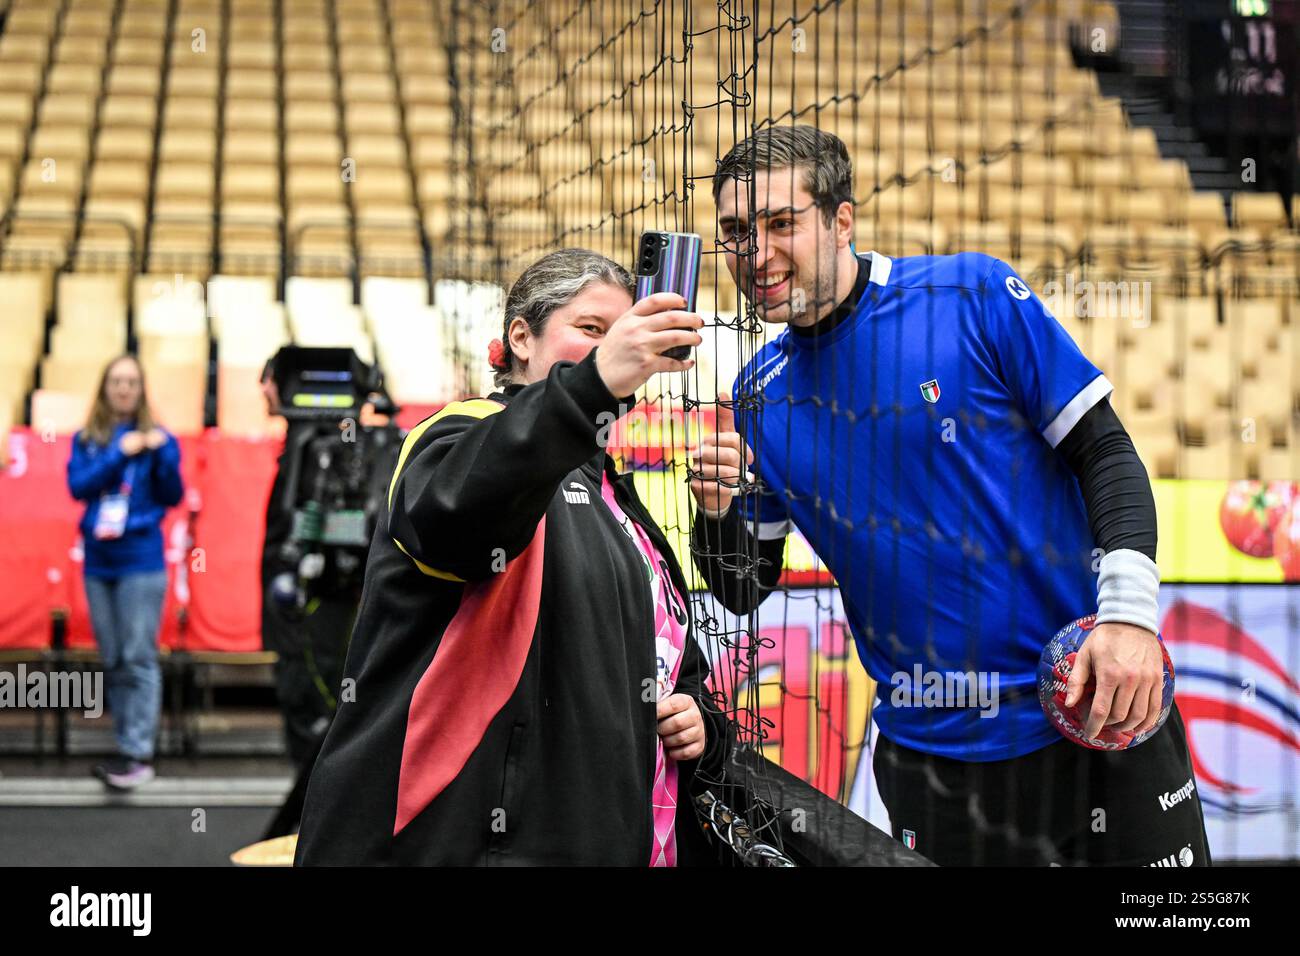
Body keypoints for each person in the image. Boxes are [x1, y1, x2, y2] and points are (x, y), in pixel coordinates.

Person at [690, 125, 1211, 866]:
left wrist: (1129, 619)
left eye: (782, 223)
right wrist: (713, 513)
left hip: (1099, 716)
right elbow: (744, 589)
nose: (756, 253)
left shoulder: (970, 294)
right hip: (932, 762)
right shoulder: (757, 396)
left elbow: (1107, 453)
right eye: (737, 231)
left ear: (842, 221)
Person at [295, 248, 730, 865]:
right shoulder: (460, 433)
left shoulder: (613, 491)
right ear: (520, 337)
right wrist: (596, 382)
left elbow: (670, 657)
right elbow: (458, 522)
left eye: (620, 333)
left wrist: (699, 719)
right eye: (590, 330)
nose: (612, 349)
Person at [67, 354, 183, 791]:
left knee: (138, 657)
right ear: (105, 387)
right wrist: (119, 453)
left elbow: (173, 494)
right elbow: (78, 486)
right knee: (113, 659)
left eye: (131, 382)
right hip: (99, 561)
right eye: (116, 381)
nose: (123, 389)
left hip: (141, 561)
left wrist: (161, 456)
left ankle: (139, 752)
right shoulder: (90, 438)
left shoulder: (160, 439)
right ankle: (125, 746)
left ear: (141, 389)